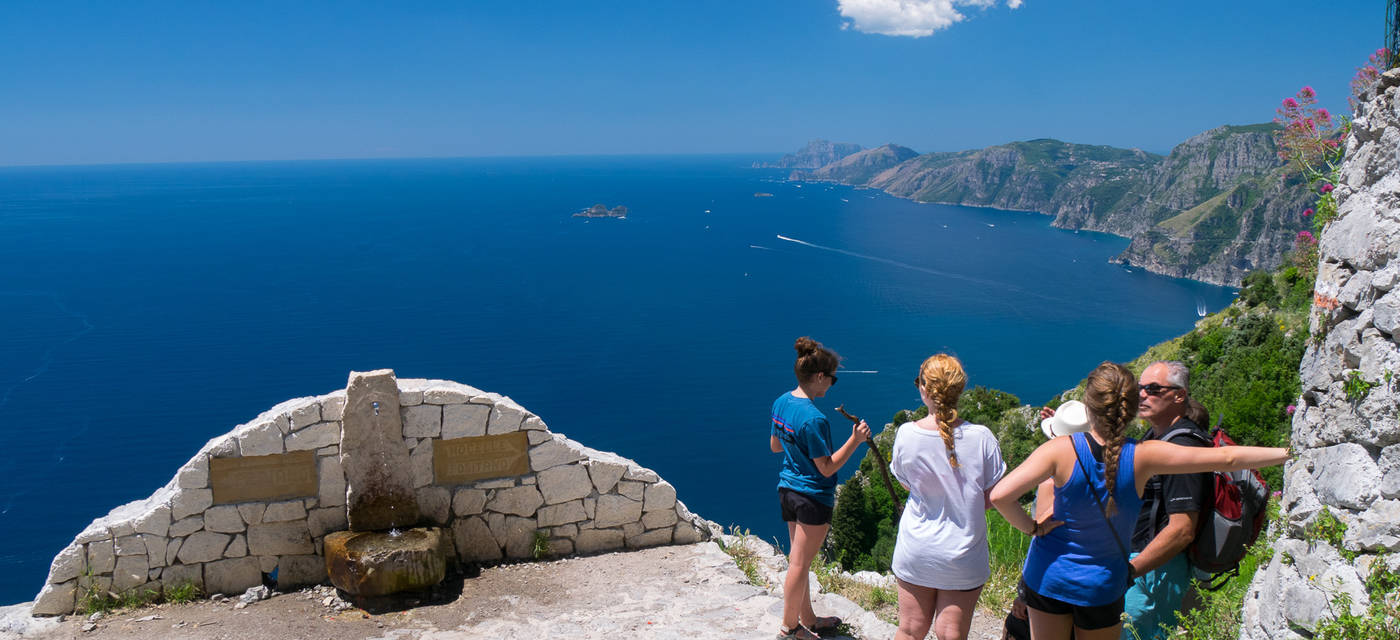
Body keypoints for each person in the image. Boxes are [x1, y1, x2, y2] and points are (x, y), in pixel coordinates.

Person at [989, 362, 1288, 640]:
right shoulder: (1144, 455)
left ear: (1088, 407)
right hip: (1103, 583)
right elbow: (1228, 458)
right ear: (1131, 409)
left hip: (1049, 576)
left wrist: (1033, 527)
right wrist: (1289, 452)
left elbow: (1001, 496)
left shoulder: (1059, 449)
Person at [888, 354, 1006, 640]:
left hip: (916, 548)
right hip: (963, 552)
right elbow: (993, 496)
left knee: (910, 629)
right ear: (960, 389)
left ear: (924, 389)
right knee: (951, 632)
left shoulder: (906, 434)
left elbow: (906, 484)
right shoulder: (982, 437)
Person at [770, 337, 869, 640]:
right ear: (820, 377)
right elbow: (826, 467)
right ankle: (789, 628)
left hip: (788, 490)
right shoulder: (815, 419)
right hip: (813, 497)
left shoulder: (781, 402)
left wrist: (797, 449)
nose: (832, 385)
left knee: (798, 561)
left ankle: (808, 619)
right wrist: (856, 439)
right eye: (832, 379)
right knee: (799, 565)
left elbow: (776, 446)